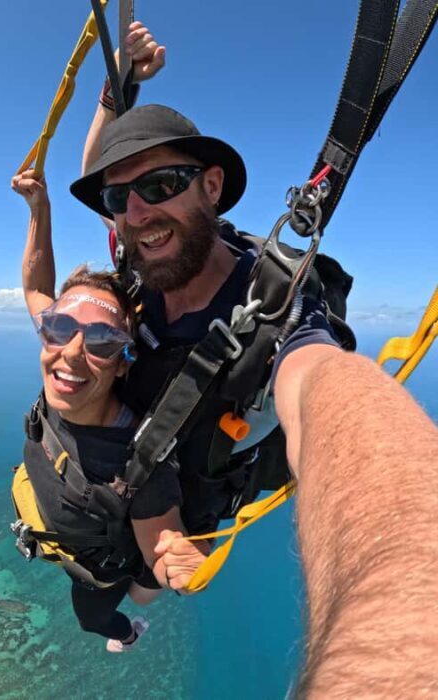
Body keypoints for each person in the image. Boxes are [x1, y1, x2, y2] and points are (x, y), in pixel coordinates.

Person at [72, 41, 438, 695]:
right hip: (136, 460)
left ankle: (133, 612)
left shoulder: (274, 311)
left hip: (189, 496)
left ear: (211, 185)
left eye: (160, 186)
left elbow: (326, 386)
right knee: (114, 578)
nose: (136, 212)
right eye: (119, 197)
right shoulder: (141, 252)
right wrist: (110, 99)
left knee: (149, 583)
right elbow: (97, 177)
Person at [6, 21, 211, 652]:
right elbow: (39, 285)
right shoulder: (68, 344)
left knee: (101, 619)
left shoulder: (137, 460)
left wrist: (176, 560)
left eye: (98, 342)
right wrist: (40, 213)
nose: (69, 350)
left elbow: (164, 536)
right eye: (60, 328)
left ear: (125, 361)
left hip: (98, 564)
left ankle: (136, 622)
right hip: (62, 527)